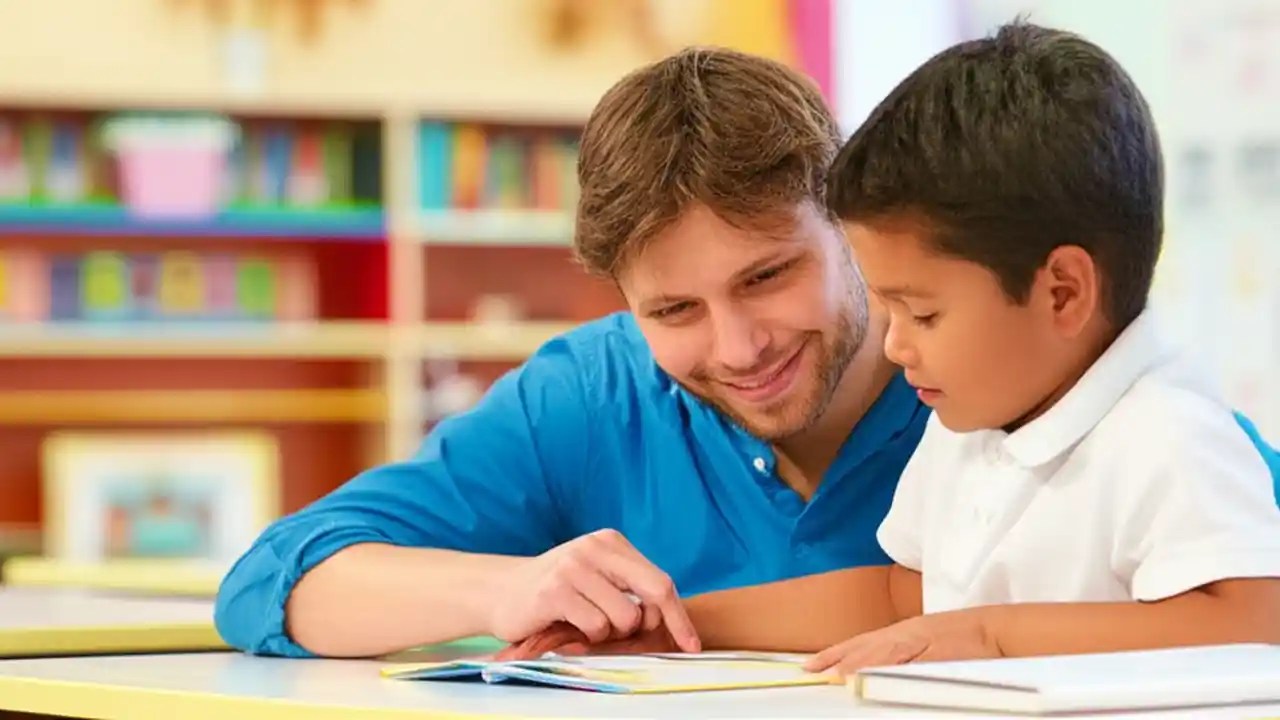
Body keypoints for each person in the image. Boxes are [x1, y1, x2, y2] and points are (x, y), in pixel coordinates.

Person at [215, 42, 1280, 661]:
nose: (736, 346)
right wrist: (520, 601)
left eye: (768, 276)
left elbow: (1247, 604)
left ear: (848, 226)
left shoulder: (1036, 393)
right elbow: (272, 579)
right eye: (671, 309)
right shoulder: (590, 395)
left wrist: (992, 639)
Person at [794, 21, 1280, 675]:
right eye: (889, 307)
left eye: (924, 313)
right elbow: (904, 598)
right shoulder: (964, 426)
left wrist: (994, 635)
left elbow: (1255, 622)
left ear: (1061, 293)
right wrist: (686, 620)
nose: (895, 343)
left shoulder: (1169, 435)